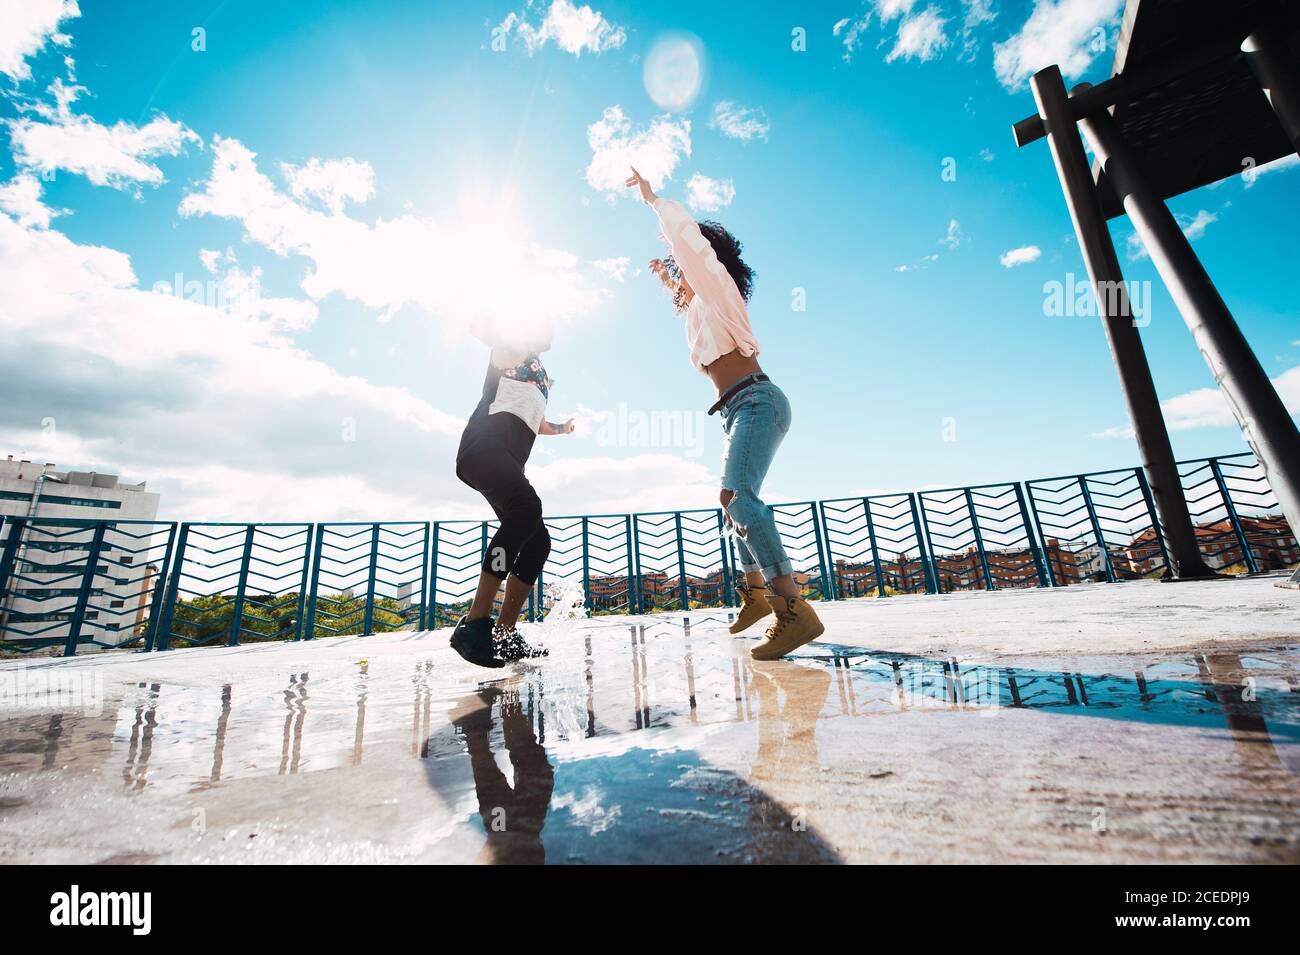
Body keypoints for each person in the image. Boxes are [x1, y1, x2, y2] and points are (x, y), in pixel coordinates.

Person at [625, 167, 824, 660]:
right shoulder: (703, 308)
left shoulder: (720, 290)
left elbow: (694, 254)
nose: (680, 270)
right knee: (730, 501)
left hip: (758, 401)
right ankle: (756, 595)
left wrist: (653, 201)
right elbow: (683, 289)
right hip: (739, 408)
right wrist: (664, 275)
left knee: (739, 498)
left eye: (682, 264)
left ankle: (793, 610)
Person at [449, 317, 574, 668]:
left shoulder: (541, 376)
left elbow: (536, 421)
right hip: (483, 449)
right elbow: (498, 341)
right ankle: (475, 624)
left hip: (504, 461)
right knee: (526, 508)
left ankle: (503, 635)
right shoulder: (512, 353)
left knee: (537, 541)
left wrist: (560, 428)